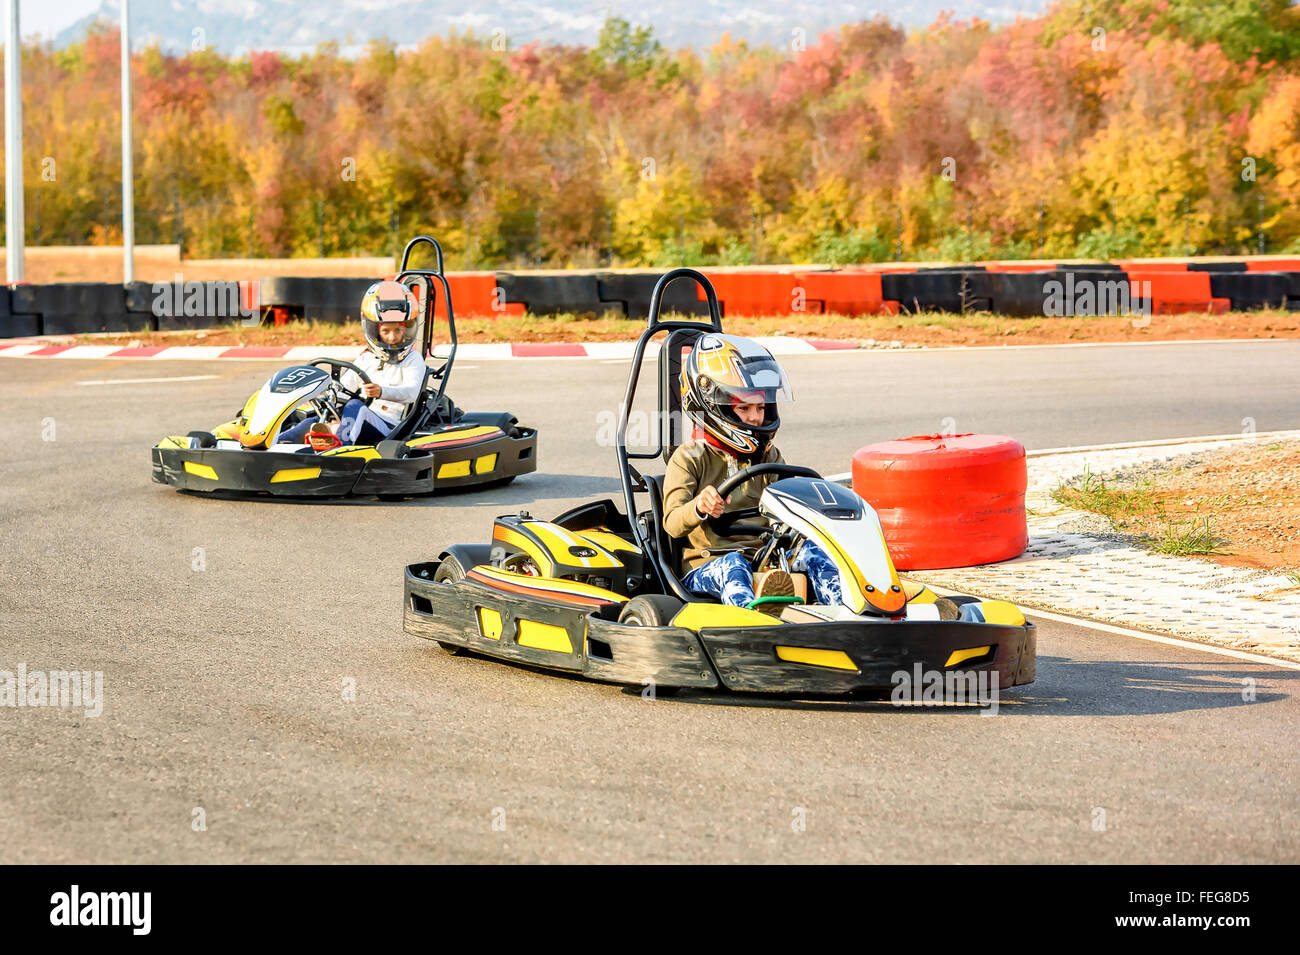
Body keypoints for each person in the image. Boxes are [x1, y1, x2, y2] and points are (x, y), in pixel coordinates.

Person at [662, 333, 842, 614]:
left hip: (764, 558)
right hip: (708, 564)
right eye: (744, 408)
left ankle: (846, 616)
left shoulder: (768, 457)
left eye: (760, 408)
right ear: (713, 406)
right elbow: (672, 523)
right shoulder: (688, 458)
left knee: (812, 552)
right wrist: (699, 506)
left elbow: (788, 504)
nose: (756, 418)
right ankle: (753, 621)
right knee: (734, 565)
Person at [275, 280, 427, 447]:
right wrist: (326, 398)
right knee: (315, 418)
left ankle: (339, 447)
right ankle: (276, 442)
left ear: (407, 329)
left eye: (398, 330)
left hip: (389, 426)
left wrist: (381, 391)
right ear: (375, 330)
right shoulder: (366, 359)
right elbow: (343, 391)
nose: (392, 337)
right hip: (356, 420)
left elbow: (411, 393)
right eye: (386, 331)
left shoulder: (413, 359)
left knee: (356, 406)